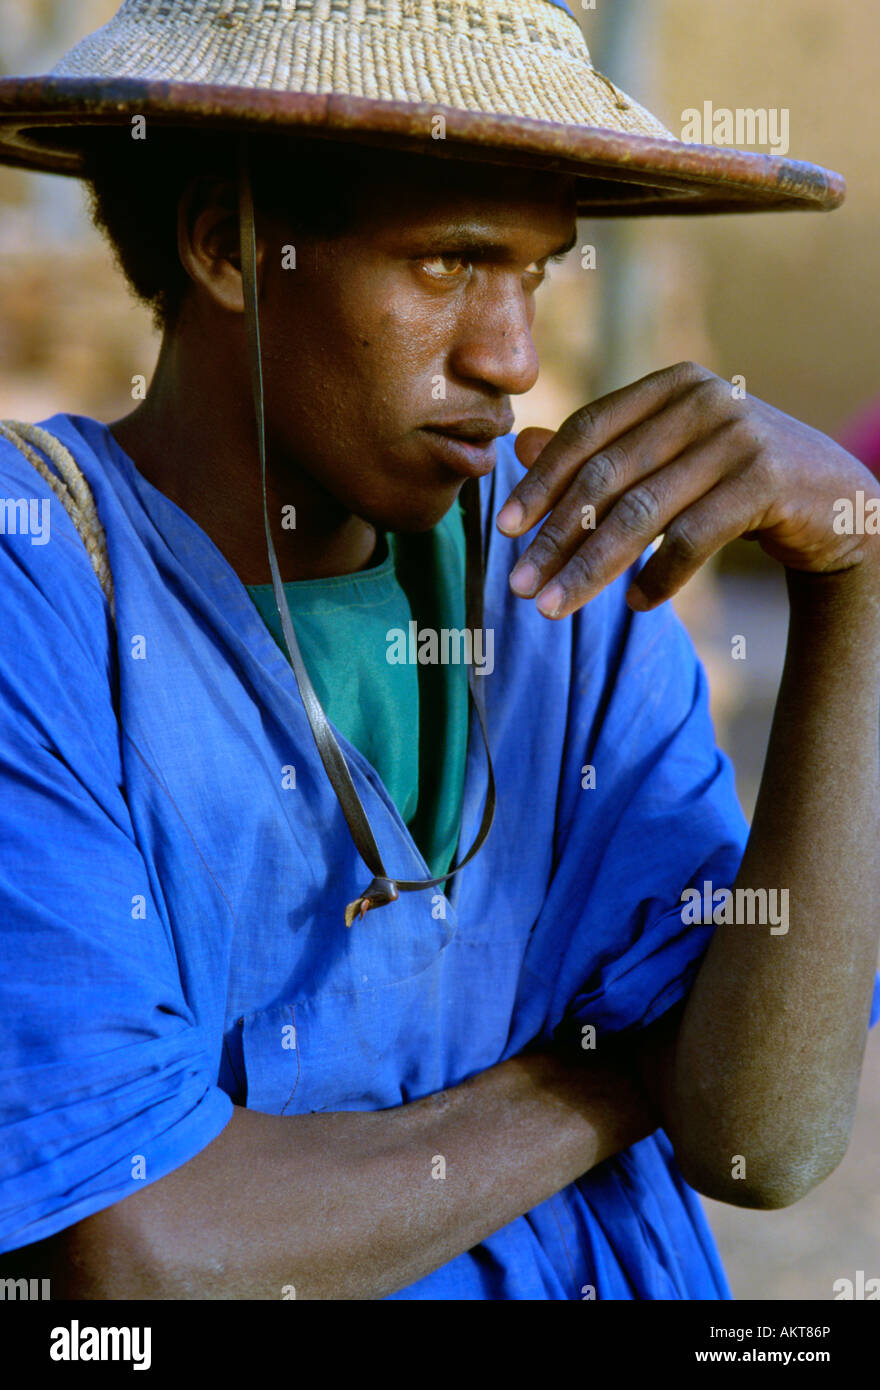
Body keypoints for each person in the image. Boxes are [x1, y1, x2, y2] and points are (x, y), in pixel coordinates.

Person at [0, 0, 877, 1302]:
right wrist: (616, 1071)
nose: (512, 357)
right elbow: (142, 1249)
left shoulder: (563, 581)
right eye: (449, 263)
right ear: (225, 243)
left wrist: (852, 589)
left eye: (533, 272)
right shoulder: (43, 588)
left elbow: (759, 1136)